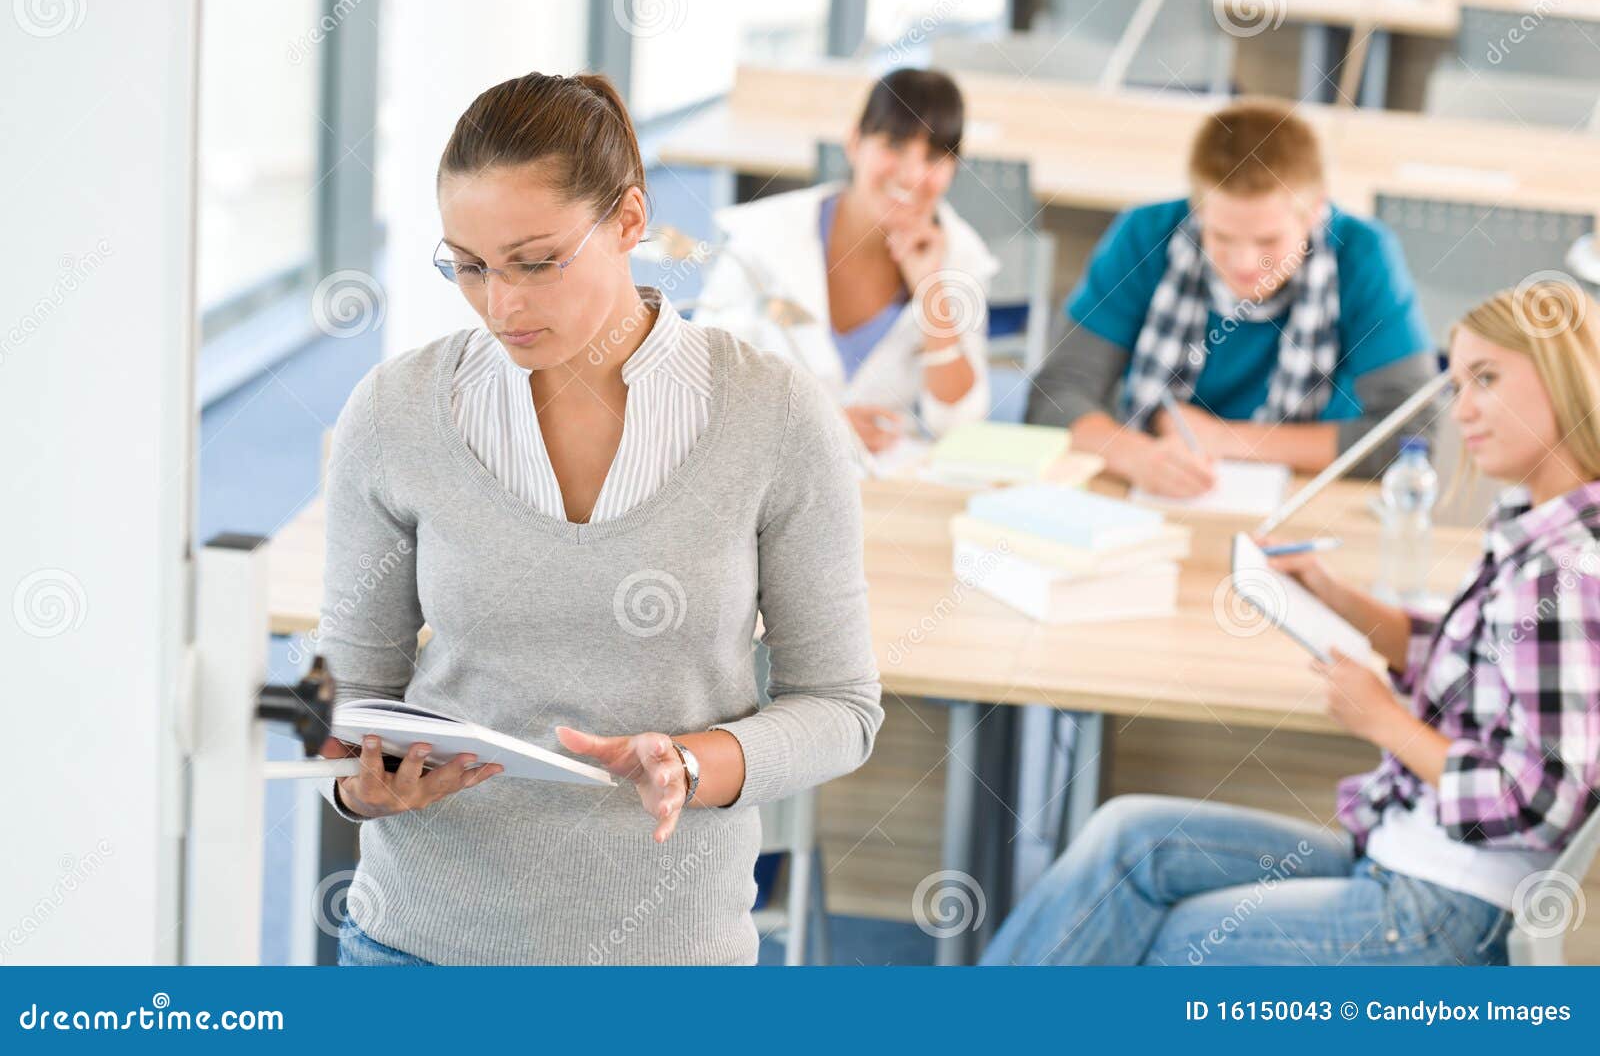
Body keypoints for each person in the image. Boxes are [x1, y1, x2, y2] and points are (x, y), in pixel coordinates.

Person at [313, 71, 883, 965]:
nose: (501, 302)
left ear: (628, 220)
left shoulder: (772, 413)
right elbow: (346, 709)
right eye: (468, 265)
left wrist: (695, 763)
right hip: (420, 949)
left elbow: (842, 709)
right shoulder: (394, 412)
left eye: (536, 261)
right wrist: (359, 788)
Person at [983, 278, 1600, 966]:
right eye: (1457, 385)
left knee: (1160, 945)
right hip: (1408, 855)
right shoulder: (1538, 530)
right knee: (1130, 840)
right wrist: (1342, 599)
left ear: (1562, 377)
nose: (1463, 411)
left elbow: (1544, 798)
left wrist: (1384, 721)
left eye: (1485, 378)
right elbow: (1486, 662)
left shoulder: (1565, 573)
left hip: (1445, 909)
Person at [1028, 99, 1436, 498]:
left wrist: (1226, 440)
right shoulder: (1144, 235)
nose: (1244, 263)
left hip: (1304, 496)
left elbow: (1411, 432)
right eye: (1221, 237)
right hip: (1155, 487)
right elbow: (1055, 394)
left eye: (1268, 240)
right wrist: (1136, 457)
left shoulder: (1364, 255)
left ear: (1314, 212)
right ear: (1198, 210)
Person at [693, 67, 998, 454]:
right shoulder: (766, 235)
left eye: (936, 156)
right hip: (771, 473)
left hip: (881, 486)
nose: (914, 174)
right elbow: (703, 389)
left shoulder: (960, 255)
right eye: (895, 145)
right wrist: (820, 424)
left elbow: (959, 424)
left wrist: (930, 289)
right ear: (855, 143)